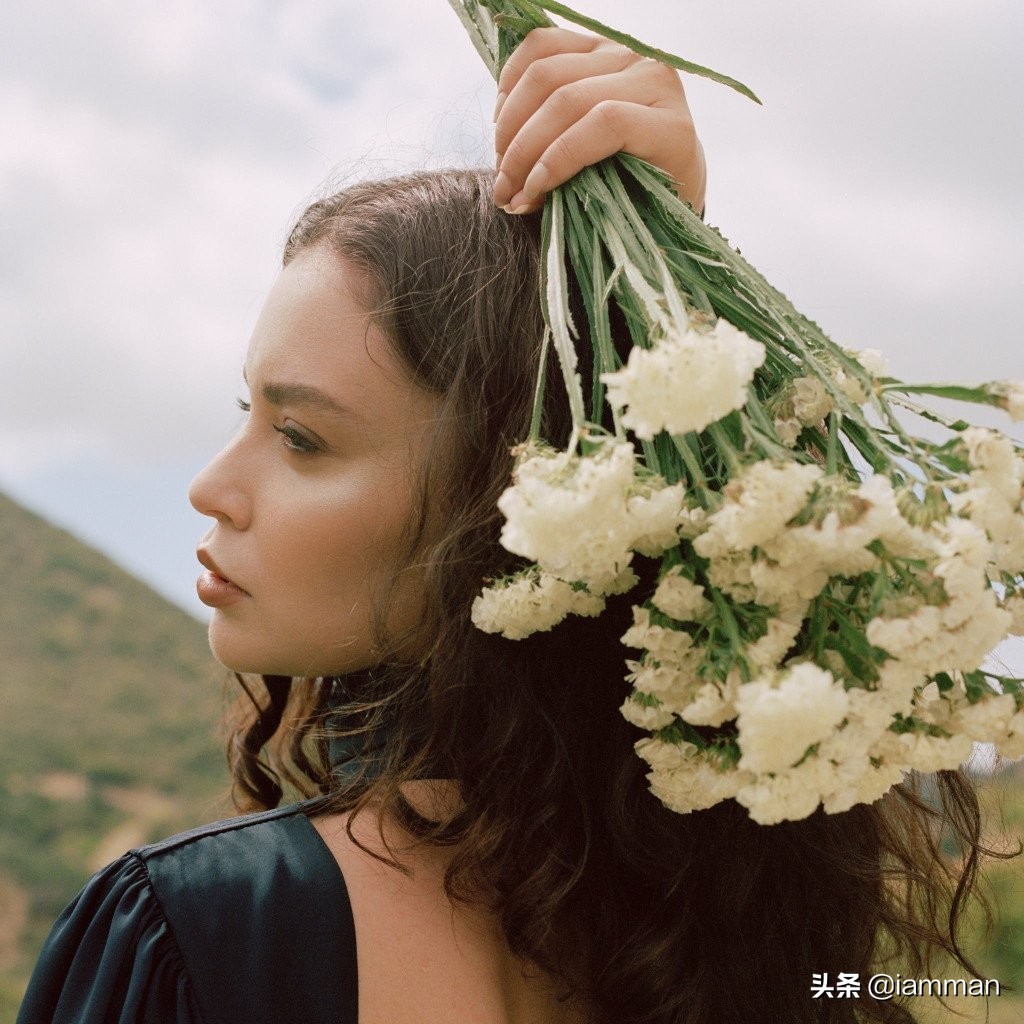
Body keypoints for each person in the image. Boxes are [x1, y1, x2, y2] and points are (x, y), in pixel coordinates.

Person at [17, 26, 990, 1024]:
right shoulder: (747, 944)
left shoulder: (202, 931)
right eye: (246, 415)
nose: (210, 487)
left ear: (512, 503)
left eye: (301, 437)